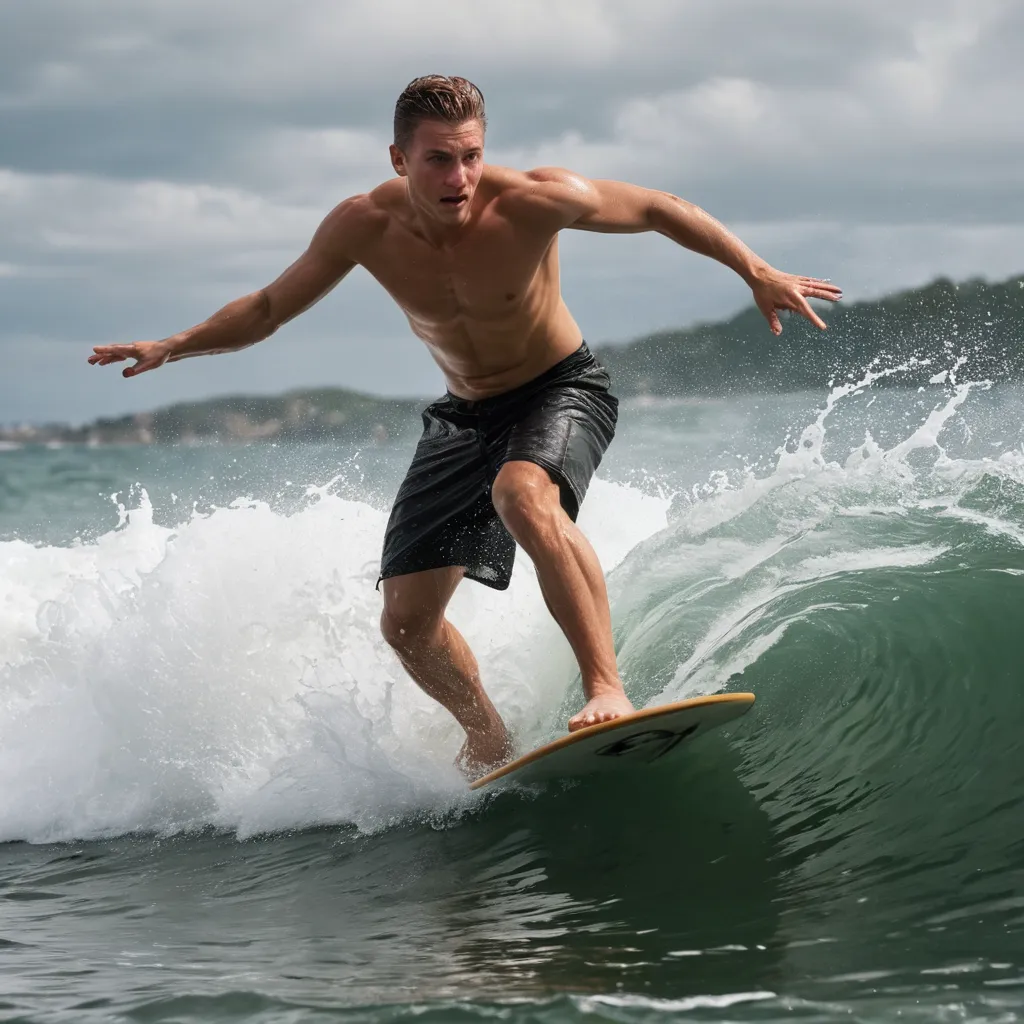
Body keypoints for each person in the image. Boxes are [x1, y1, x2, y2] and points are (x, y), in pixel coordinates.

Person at [90, 75, 842, 779]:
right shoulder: (362, 225)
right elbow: (267, 309)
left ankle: (608, 687)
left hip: (561, 388)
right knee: (407, 624)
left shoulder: (534, 201)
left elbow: (656, 206)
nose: (459, 177)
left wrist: (755, 269)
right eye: (439, 160)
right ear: (399, 158)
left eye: (472, 156)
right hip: (463, 417)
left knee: (524, 496)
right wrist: (175, 345)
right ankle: (486, 732)